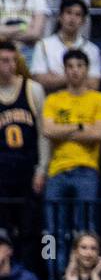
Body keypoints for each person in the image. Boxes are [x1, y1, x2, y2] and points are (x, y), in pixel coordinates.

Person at [41, 48, 101, 275]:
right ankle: (53, 278)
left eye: (80, 66)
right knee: (52, 232)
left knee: (86, 230)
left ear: (87, 70)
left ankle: (86, 279)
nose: (75, 71)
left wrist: (64, 131)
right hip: (57, 170)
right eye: (70, 66)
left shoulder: (99, 99)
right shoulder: (53, 99)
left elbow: (97, 134)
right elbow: (48, 130)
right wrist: (80, 127)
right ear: (65, 70)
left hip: (87, 170)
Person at [0, 41, 47, 256]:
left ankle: (30, 276)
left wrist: (41, 170)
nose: (8, 65)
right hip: (2, 171)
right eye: (3, 60)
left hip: (27, 168)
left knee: (30, 229)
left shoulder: (32, 89)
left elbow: (44, 135)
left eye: (12, 60)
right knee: (4, 230)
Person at [31, 0, 101, 92]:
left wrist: (56, 78)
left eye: (78, 15)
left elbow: (94, 85)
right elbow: (39, 81)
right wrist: (79, 77)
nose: (72, 18)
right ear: (60, 17)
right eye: (68, 13)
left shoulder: (92, 50)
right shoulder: (43, 45)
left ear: (83, 21)